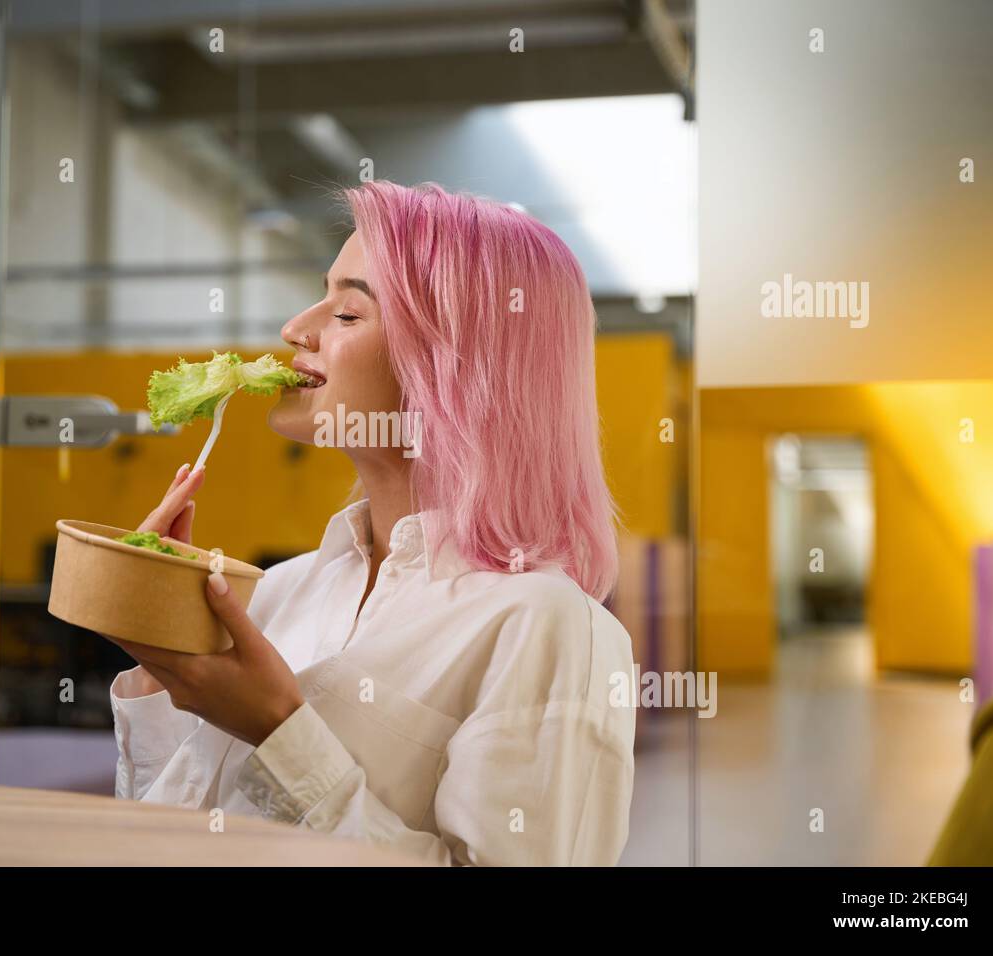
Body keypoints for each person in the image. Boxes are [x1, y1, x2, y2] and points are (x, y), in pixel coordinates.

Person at [106, 180, 635, 866]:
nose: (296, 329)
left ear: (455, 364)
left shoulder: (546, 625)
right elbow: (163, 845)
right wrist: (160, 663)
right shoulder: (281, 590)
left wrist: (277, 730)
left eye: (348, 313)